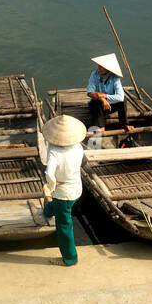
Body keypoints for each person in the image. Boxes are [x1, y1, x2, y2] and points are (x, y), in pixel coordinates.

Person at [41, 114, 86, 267]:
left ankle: (70, 257)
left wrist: (52, 185)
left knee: (64, 225)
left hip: (64, 193)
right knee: (60, 207)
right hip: (76, 187)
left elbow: (49, 174)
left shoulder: (54, 152)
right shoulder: (78, 147)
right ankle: (48, 210)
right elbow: (82, 162)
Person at [86, 53, 127, 132]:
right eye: (99, 65)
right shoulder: (94, 75)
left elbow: (120, 97)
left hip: (110, 106)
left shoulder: (115, 78)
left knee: (123, 100)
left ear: (108, 69)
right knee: (96, 102)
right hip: (97, 106)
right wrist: (102, 99)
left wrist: (105, 96)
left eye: (102, 66)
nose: (99, 67)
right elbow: (90, 93)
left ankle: (124, 123)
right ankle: (100, 126)